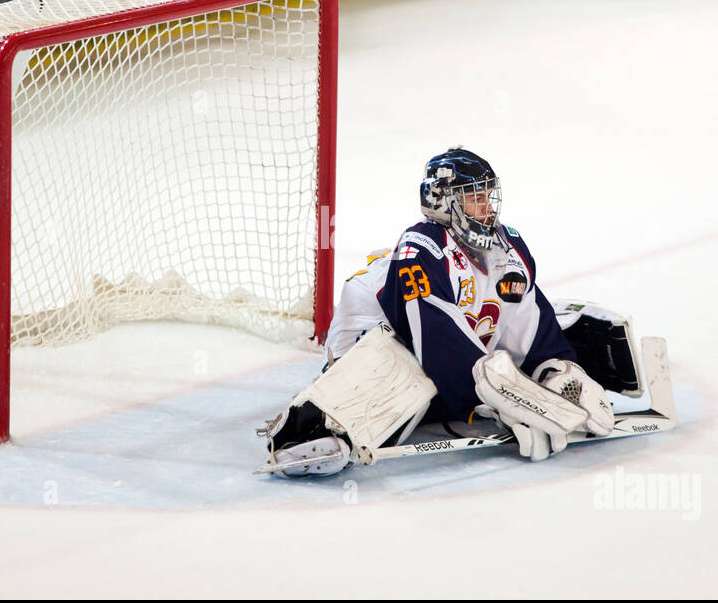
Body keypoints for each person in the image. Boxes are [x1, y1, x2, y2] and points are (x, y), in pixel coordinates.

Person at [261, 148, 615, 476]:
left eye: (487, 196)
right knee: (410, 376)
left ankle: (474, 389)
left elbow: (529, 321)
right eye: (474, 198)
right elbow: (434, 338)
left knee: (543, 342)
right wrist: (497, 399)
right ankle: (313, 424)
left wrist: (557, 371)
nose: (487, 207)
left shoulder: (510, 250)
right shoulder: (422, 247)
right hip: (376, 333)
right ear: (442, 201)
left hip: (454, 351)